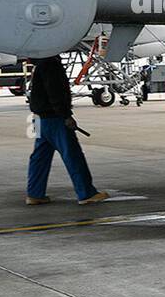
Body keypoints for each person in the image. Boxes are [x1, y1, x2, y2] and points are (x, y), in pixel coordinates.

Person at [24, 56, 109, 206]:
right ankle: (86, 193)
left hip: (38, 118)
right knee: (72, 155)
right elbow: (55, 92)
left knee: (39, 157)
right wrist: (66, 115)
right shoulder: (51, 64)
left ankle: (34, 194)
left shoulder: (40, 66)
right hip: (54, 119)